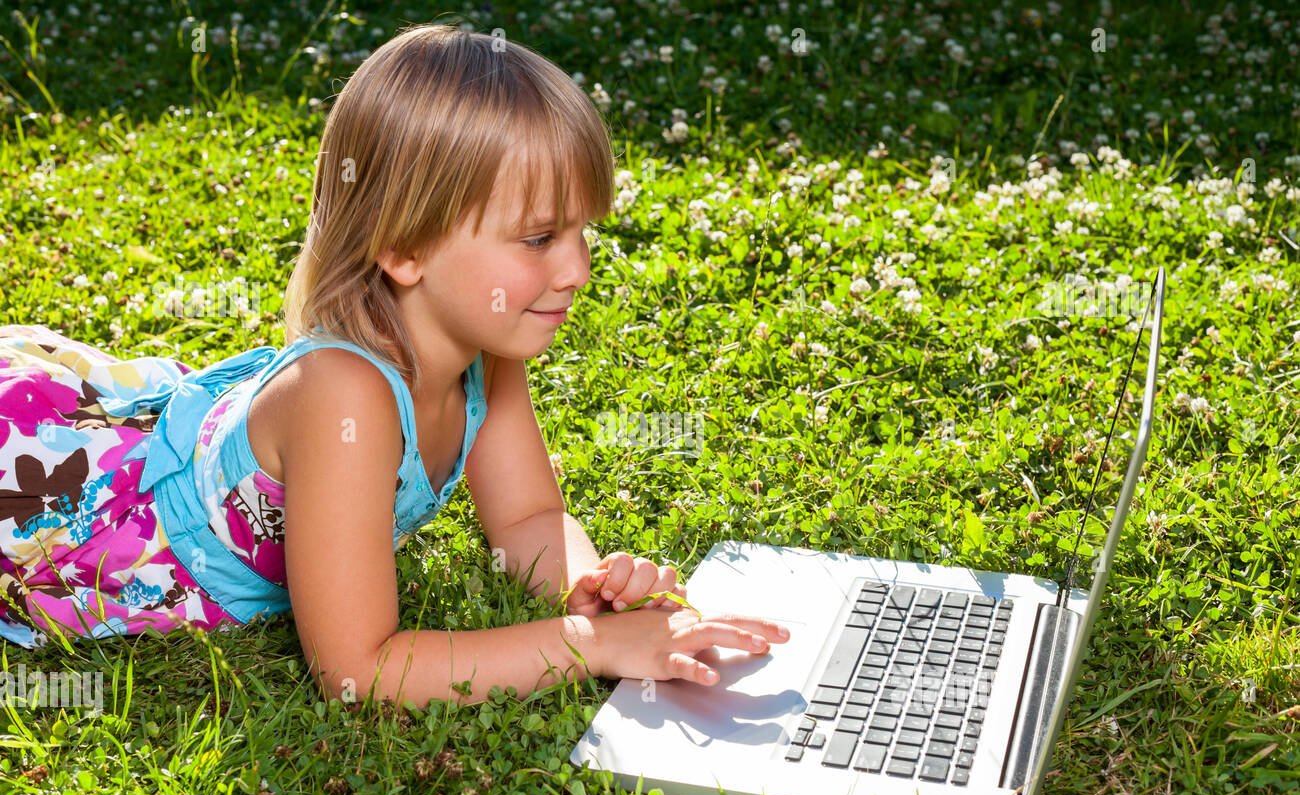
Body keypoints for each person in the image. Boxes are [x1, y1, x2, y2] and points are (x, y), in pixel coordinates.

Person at [0, 24, 789, 706]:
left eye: (582, 231)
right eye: (540, 237)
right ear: (406, 249)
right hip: (69, 499)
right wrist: (592, 646)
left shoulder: (488, 351)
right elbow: (359, 671)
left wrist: (588, 591)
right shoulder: (346, 395)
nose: (578, 267)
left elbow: (525, 520)